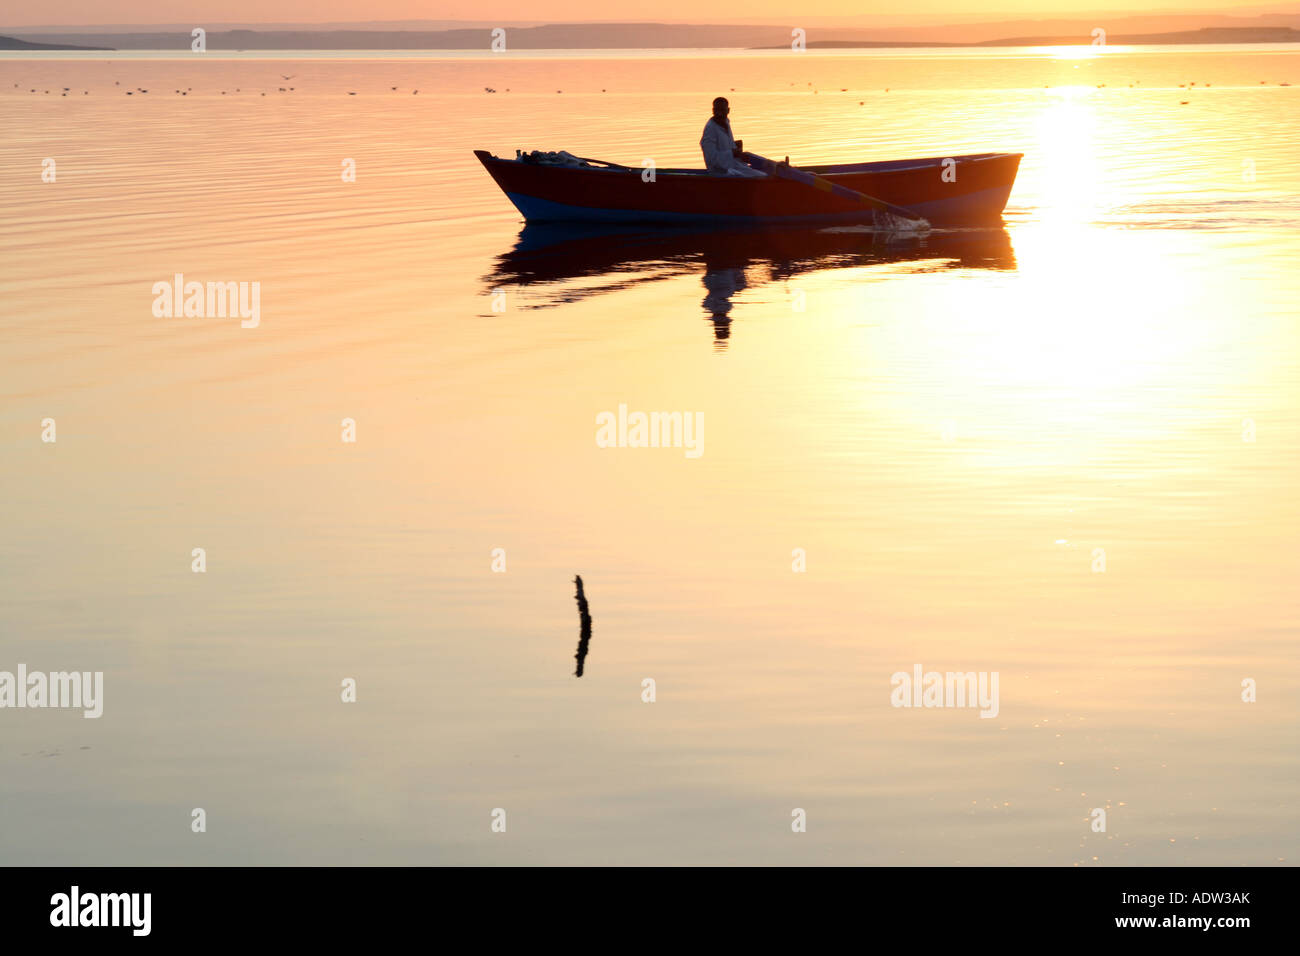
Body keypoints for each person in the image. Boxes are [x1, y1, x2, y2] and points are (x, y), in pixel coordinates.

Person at [700, 97, 765, 177]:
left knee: (764, 172)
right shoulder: (710, 129)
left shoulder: (726, 122)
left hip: (733, 166)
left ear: (728, 110)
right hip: (720, 172)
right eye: (717, 110)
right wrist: (732, 153)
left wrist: (737, 152)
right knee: (761, 176)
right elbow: (711, 159)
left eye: (722, 110)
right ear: (713, 110)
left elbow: (726, 147)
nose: (719, 113)